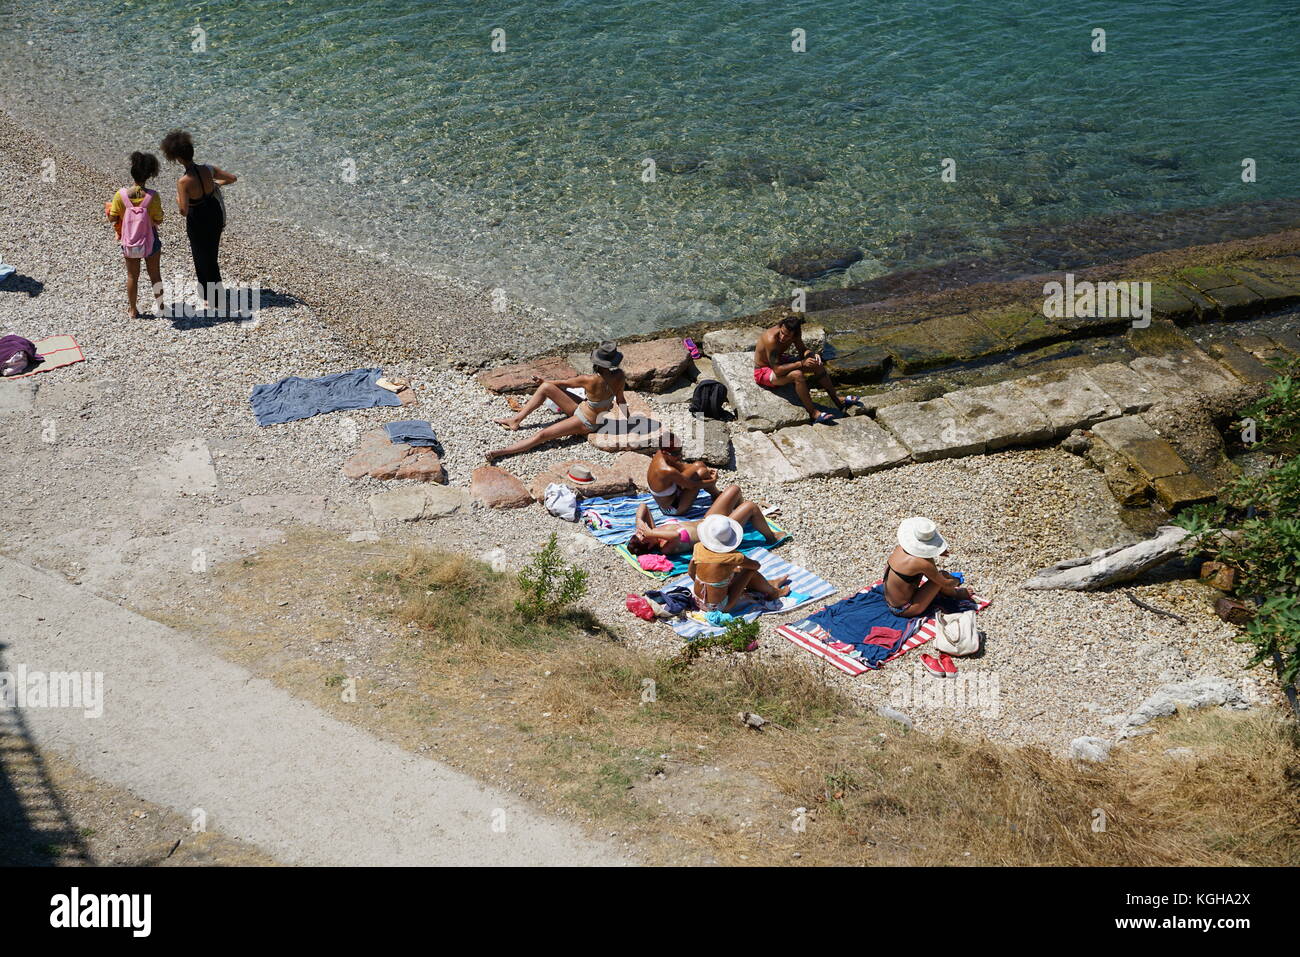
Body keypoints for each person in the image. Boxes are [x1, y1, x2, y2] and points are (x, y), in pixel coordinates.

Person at [488, 341, 629, 462]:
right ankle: (516, 420)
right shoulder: (620, 376)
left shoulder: (590, 379)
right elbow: (621, 400)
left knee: (542, 435)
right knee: (546, 387)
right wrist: (627, 423)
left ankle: (501, 452)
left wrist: (543, 380)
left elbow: (564, 383)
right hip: (586, 410)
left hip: (587, 422)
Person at [160, 130, 236, 312]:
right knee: (212, 254)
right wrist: (216, 185)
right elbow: (232, 178)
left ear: (177, 158)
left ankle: (214, 299)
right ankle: (214, 294)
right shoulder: (208, 170)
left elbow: (183, 211)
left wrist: (178, 200)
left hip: (198, 217)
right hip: (214, 211)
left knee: (201, 257)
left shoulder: (183, 182)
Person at [753, 312, 860, 424]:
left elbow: (802, 350)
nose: (783, 337)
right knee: (797, 375)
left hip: (781, 361)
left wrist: (811, 355)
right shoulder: (771, 339)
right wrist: (801, 363)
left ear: (794, 334)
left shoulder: (795, 334)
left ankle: (838, 401)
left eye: (787, 335)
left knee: (817, 364)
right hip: (763, 371)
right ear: (781, 327)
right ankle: (813, 413)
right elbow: (778, 371)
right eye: (782, 333)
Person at [627, 485, 779, 557]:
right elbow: (676, 535)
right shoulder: (665, 547)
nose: (643, 531)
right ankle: (771, 538)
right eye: (643, 535)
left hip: (708, 521)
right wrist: (650, 531)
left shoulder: (655, 533)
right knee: (751, 506)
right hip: (716, 534)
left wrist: (640, 521)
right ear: (647, 544)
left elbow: (643, 506)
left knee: (734, 489)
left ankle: (747, 519)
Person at [688, 515, 790, 614]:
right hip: (718, 607)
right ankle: (774, 593)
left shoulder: (698, 548)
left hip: (698, 600)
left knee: (733, 572)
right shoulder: (733, 557)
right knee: (749, 571)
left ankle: (769, 584)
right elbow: (756, 566)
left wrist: (709, 584)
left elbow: (690, 572)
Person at [105, 151, 165, 318]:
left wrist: (109, 210)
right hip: (150, 241)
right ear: (149, 175)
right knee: (155, 275)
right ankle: (160, 307)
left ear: (132, 172)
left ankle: (132, 310)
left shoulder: (121, 195)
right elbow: (158, 220)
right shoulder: (153, 196)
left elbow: (112, 218)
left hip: (130, 241)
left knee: (132, 276)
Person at [882, 516, 972, 618]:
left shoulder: (900, 548)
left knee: (939, 577)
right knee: (943, 576)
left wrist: (936, 552)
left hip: (889, 599)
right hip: (904, 609)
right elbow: (945, 584)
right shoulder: (922, 563)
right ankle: (958, 594)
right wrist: (956, 581)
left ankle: (953, 592)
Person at [646, 443, 720, 515]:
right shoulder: (667, 470)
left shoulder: (661, 454)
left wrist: (703, 468)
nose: (680, 456)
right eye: (676, 454)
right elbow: (693, 486)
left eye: (680, 451)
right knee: (701, 474)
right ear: (665, 452)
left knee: (700, 465)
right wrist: (712, 481)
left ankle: (716, 495)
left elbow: (681, 466)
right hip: (672, 508)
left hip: (674, 493)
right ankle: (717, 496)